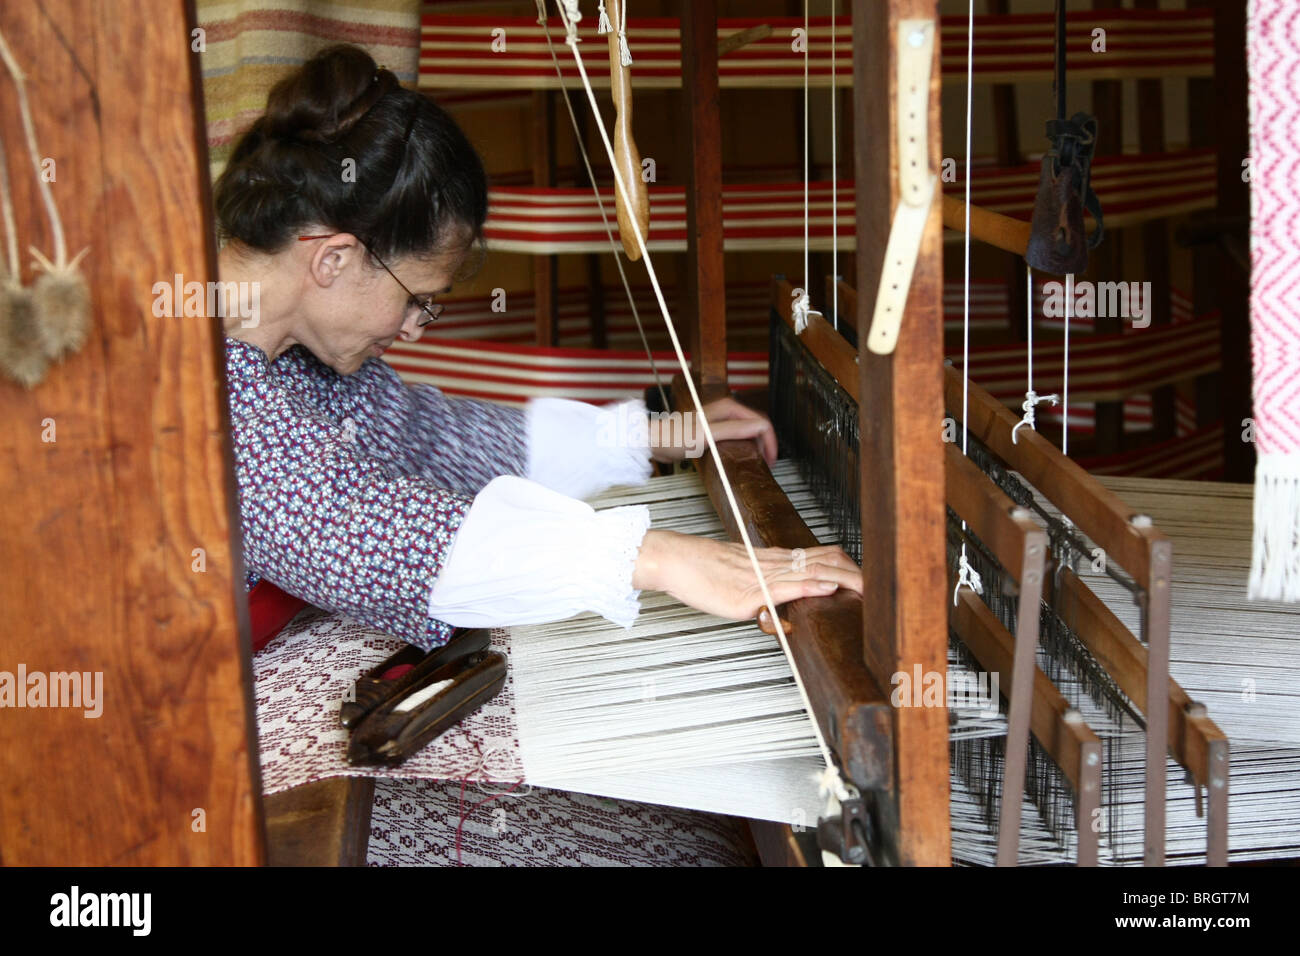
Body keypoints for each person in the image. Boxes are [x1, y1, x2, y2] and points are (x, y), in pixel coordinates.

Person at [215, 44, 861, 651]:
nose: (415, 328)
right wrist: (662, 558)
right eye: (416, 297)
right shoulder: (204, 388)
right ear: (332, 259)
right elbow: (365, 532)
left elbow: (433, 436)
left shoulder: (283, 347)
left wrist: (644, 436)